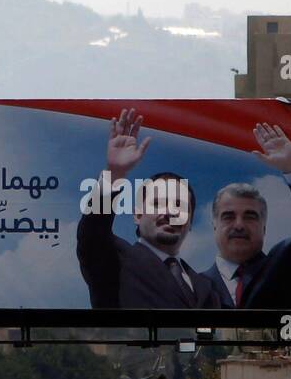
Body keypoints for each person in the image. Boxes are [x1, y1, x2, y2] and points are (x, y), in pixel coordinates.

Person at [77, 108, 221, 309]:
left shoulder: (205, 287)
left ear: (190, 223)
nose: (169, 212)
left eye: (179, 206)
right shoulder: (114, 260)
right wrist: (115, 173)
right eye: (158, 203)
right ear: (137, 214)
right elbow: (92, 233)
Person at [203, 122, 291, 309]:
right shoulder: (191, 286)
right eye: (228, 216)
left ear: (264, 225)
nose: (239, 225)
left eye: (250, 216)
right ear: (214, 224)